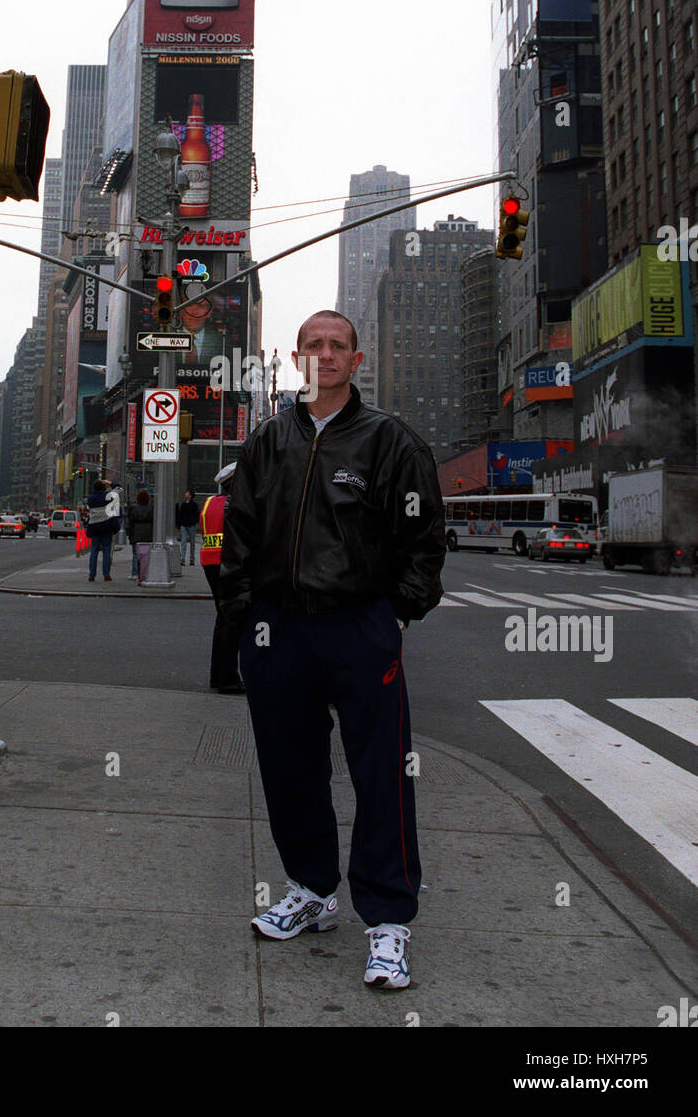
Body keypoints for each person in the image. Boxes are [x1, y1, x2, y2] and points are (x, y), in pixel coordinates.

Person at [219, 309, 446, 991]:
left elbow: (424, 539)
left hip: (359, 629)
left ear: (355, 359)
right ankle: (311, 893)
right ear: (296, 359)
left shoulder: (391, 441)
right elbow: (239, 535)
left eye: (336, 346)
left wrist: (396, 615)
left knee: (380, 774)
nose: (324, 355)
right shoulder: (268, 441)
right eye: (312, 345)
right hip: (278, 630)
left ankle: (386, 921)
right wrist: (243, 616)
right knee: (290, 770)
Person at [199, 464, 243, 693]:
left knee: (222, 618)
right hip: (231, 564)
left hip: (209, 562)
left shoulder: (209, 503)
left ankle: (217, 676)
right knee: (232, 621)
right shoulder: (237, 503)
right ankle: (227, 678)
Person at [84, 479, 122, 582]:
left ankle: (92, 575)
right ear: (103, 487)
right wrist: (110, 483)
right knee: (106, 551)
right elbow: (119, 489)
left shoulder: (90, 499)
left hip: (94, 526)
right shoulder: (107, 496)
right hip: (106, 526)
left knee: (94, 551)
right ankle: (106, 574)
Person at [126, 488, 153, 582]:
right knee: (147, 554)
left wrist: (129, 534)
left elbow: (130, 522)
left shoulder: (134, 508)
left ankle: (135, 573)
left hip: (136, 532)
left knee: (135, 554)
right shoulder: (151, 508)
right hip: (148, 532)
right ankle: (145, 573)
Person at [175, 489, 200, 566]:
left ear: (190, 496)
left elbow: (196, 515)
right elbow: (180, 515)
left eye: (187, 493)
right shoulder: (183, 504)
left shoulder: (194, 505)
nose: (185, 494)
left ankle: (192, 559)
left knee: (192, 542)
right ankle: (182, 558)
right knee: (183, 542)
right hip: (184, 525)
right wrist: (179, 525)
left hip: (191, 525)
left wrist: (194, 522)